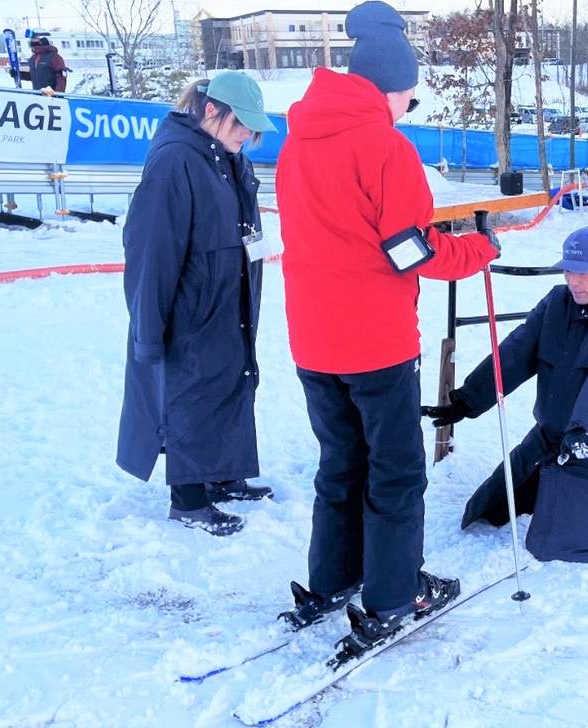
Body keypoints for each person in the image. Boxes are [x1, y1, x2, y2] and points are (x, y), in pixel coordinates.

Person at [274, 0, 499, 650]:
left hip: (313, 342)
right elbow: (410, 250)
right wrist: (478, 249)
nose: (407, 107)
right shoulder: (384, 147)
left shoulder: (298, 144)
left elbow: (354, 231)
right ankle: (395, 594)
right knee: (396, 472)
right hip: (374, 343)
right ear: (390, 88)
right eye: (407, 95)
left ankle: (334, 577)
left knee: (340, 463)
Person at [425, 227, 588, 563]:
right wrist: (468, 399)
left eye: (583, 272)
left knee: (560, 543)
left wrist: (585, 428)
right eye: (568, 270)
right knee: (486, 509)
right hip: (551, 435)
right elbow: (516, 352)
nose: (574, 282)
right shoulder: (558, 301)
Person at [116, 73, 277, 536]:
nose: (248, 135)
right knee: (191, 392)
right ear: (211, 111)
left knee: (231, 382)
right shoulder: (174, 163)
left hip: (229, 297)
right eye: (241, 124)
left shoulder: (225, 157)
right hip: (191, 306)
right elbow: (150, 251)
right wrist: (149, 329)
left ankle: (224, 475)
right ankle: (188, 498)